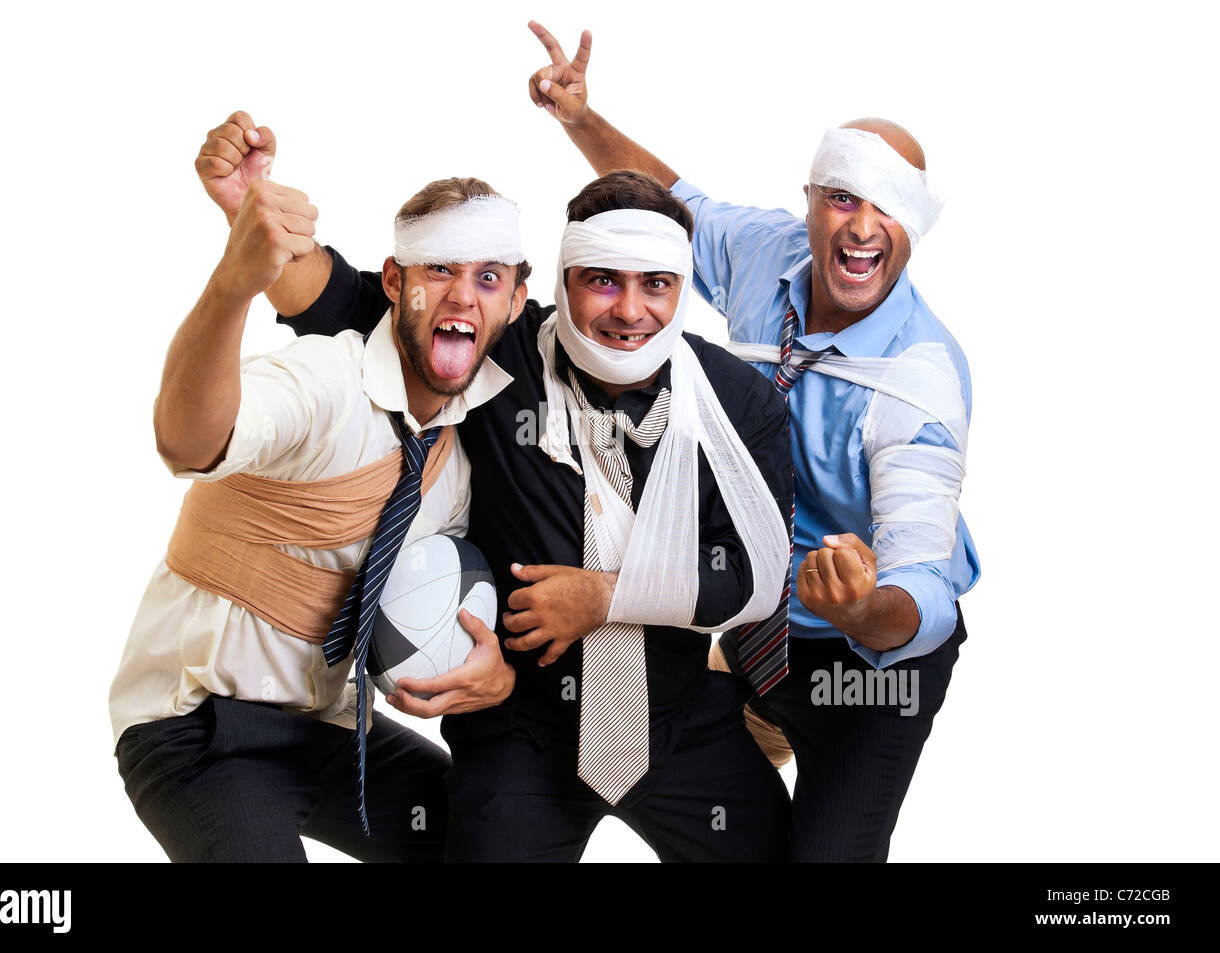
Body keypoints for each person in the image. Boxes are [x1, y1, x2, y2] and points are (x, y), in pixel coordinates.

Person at [205, 115, 798, 862]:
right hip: (521, 728)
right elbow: (347, 303)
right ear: (557, 282)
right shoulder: (498, 349)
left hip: (679, 721)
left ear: (682, 289)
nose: (628, 309)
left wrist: (605, 595)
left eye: (656, 285)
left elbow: (754, 574)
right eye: (601, 281)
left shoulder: (741, 405)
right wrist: (249, 212)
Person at [526, 22, 980, 861]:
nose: (861, 226)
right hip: (748, 621)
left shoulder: (922, 380)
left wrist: (863, 610)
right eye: (843, 197)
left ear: (915, 228)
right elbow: (671, 202)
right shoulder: (765, 249)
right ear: (809, 198)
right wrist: (579, 118)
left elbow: (922, 580)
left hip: (867, 666)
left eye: (889, 207)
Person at [109, 141, 530, 861]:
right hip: (198, 726)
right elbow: (186, 440)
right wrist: (234, 287)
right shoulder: (328, 380)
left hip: (330, 729)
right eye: (440, 270)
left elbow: (422, 603)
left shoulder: (454, 467)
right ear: (395, 282)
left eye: (488, 277)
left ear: (516, 303)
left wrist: (492, 674)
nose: (463, 294)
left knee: (498, 839)